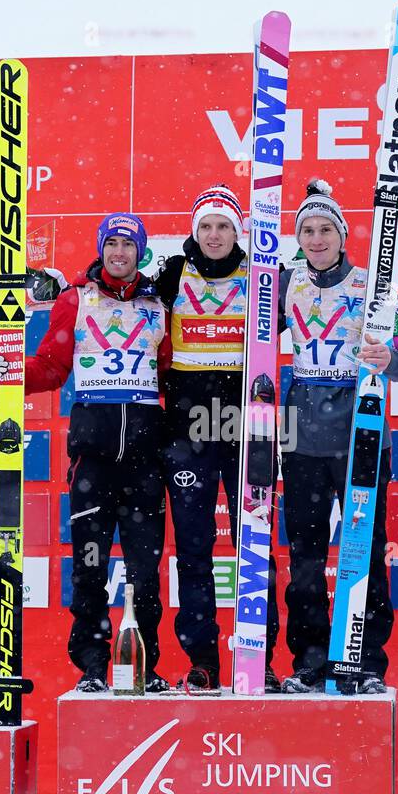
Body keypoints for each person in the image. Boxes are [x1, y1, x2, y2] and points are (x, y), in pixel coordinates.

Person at [0, 213, 171, 693]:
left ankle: (143, 666)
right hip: (94, 460)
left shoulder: (158, 303)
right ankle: (91, 666)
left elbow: (174, 374)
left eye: (129, 245)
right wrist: (11, 372)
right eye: (112, 243)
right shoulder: (74, 300)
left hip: (145, 461)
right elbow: (51, 366)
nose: (119, 252)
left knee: (146, 573)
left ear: (141, 252)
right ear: (101, 248)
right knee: (90, 566)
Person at [278, 180, 398, 695]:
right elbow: (246, 335)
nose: (316, 239)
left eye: (325, 230)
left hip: (362, 432)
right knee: (306, 558)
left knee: (365, 550)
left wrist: (390, 359)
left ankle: (363, 664)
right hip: (301, 438)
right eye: (307, 231)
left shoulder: (375, 286)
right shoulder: (284, 284)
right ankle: (311, 662)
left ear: (343, 235)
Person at [154, 184, 281, 693]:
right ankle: (203, 660)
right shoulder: (169, 276)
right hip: (188, 431)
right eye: (205, 226)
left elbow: (315, 288)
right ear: (193, 230)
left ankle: (259, 658)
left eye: (224, 226)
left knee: (255, 546)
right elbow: (110, 290)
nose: (214, 235)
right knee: (193, 549)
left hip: (249, 430)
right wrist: (57, 285)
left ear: (238, 231)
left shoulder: (261, 277)